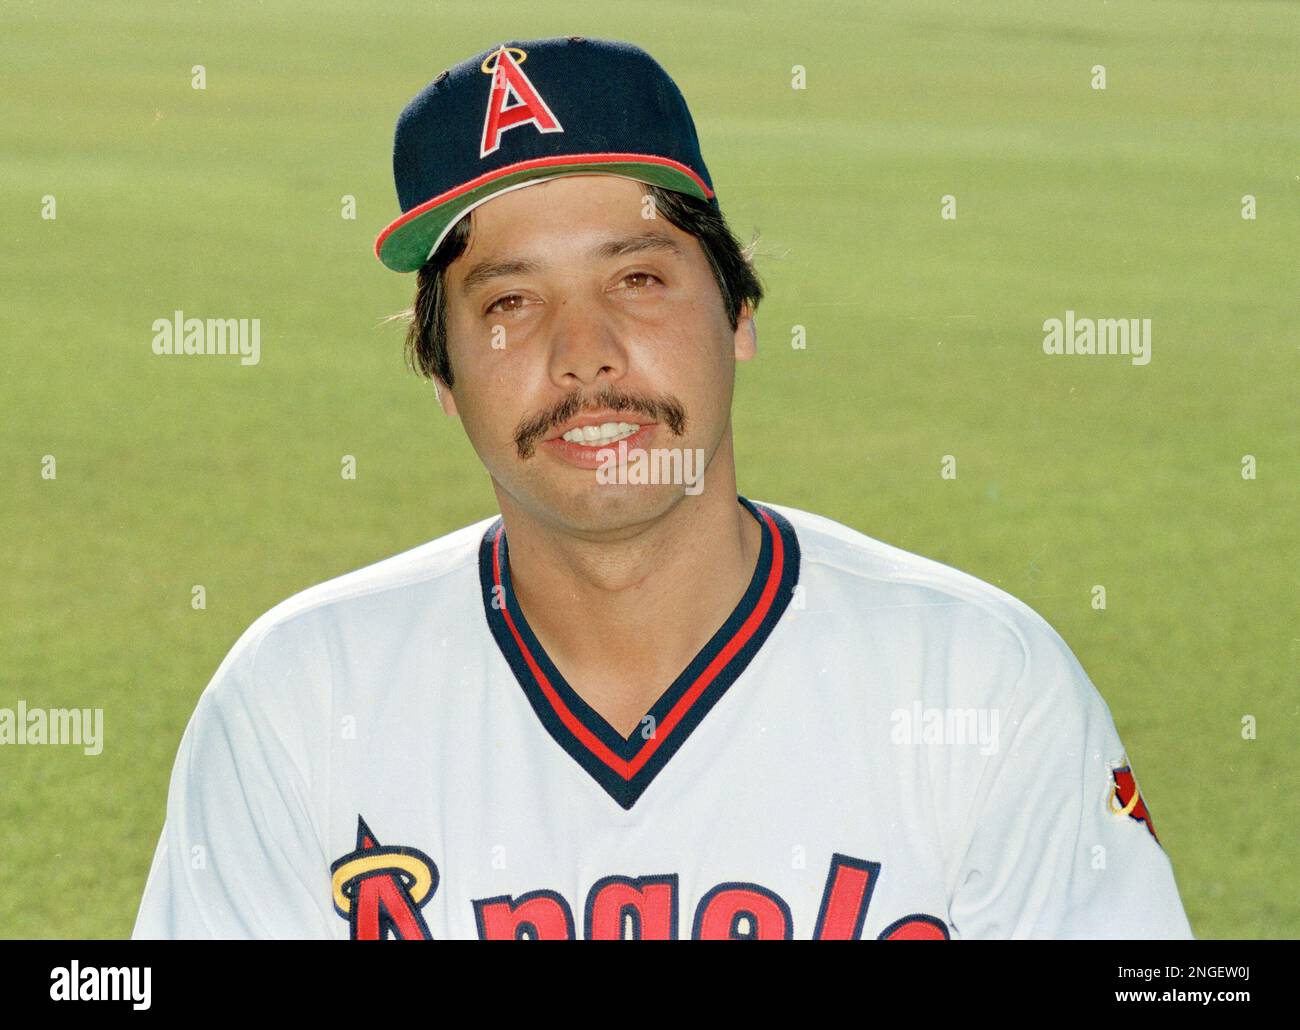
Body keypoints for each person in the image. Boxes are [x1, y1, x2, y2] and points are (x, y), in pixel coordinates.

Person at [133, 36, 1193, 939]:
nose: (583, 355)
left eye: (637, 278)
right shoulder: (298, 701)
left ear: (737, 317)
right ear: (443, 376)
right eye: (507, 301)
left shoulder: (978, 684)